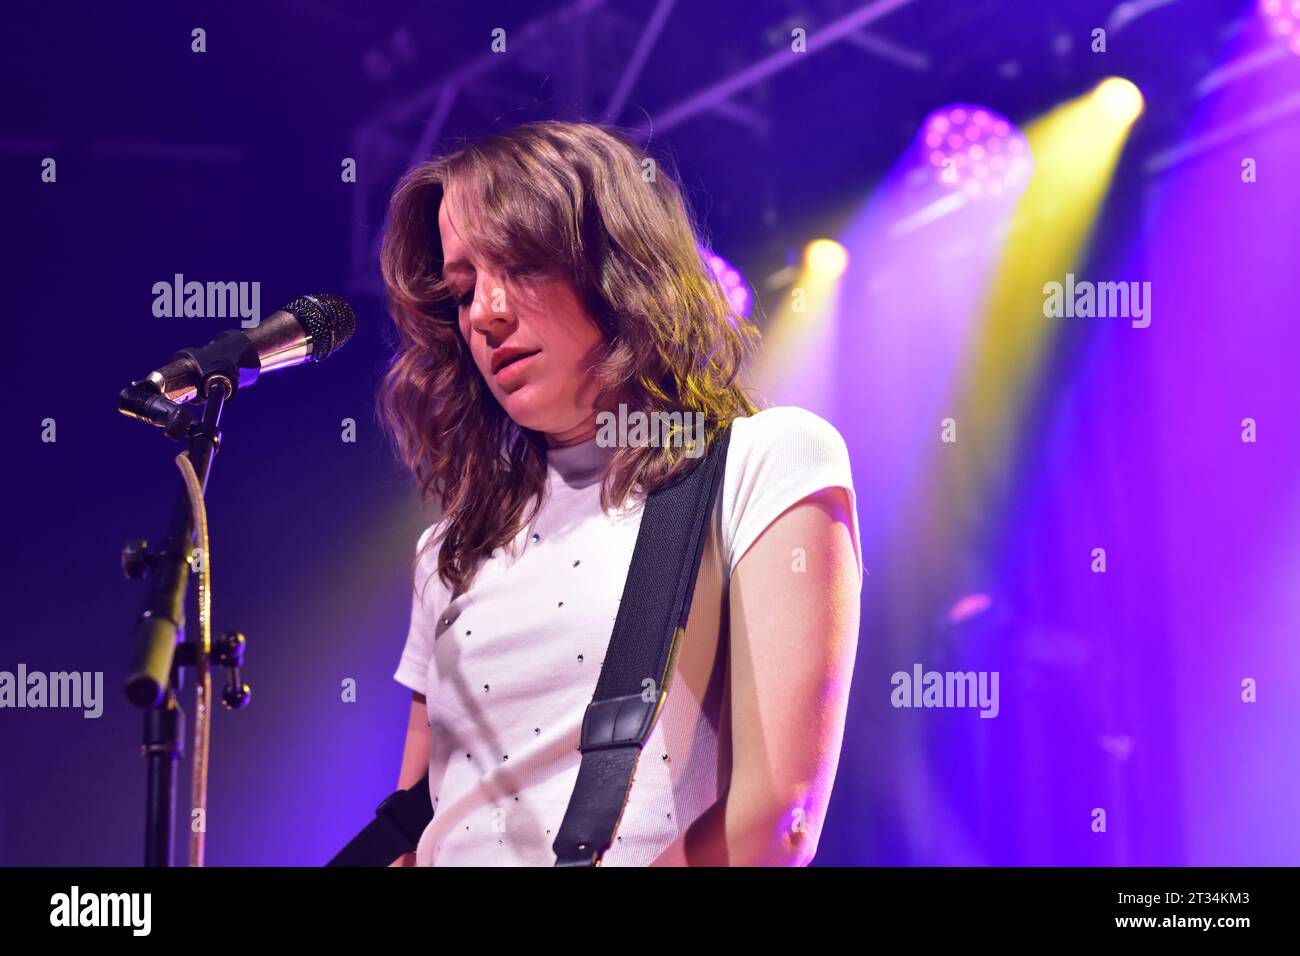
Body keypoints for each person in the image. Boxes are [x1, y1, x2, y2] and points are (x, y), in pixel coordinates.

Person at [378, 120, 862, 866]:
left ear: (613, 266)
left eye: (519, 265)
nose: (486, 312)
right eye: (463, 288)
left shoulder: (764, 460)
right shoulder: (448, 549)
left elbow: (777, 818)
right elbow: (415, 827)